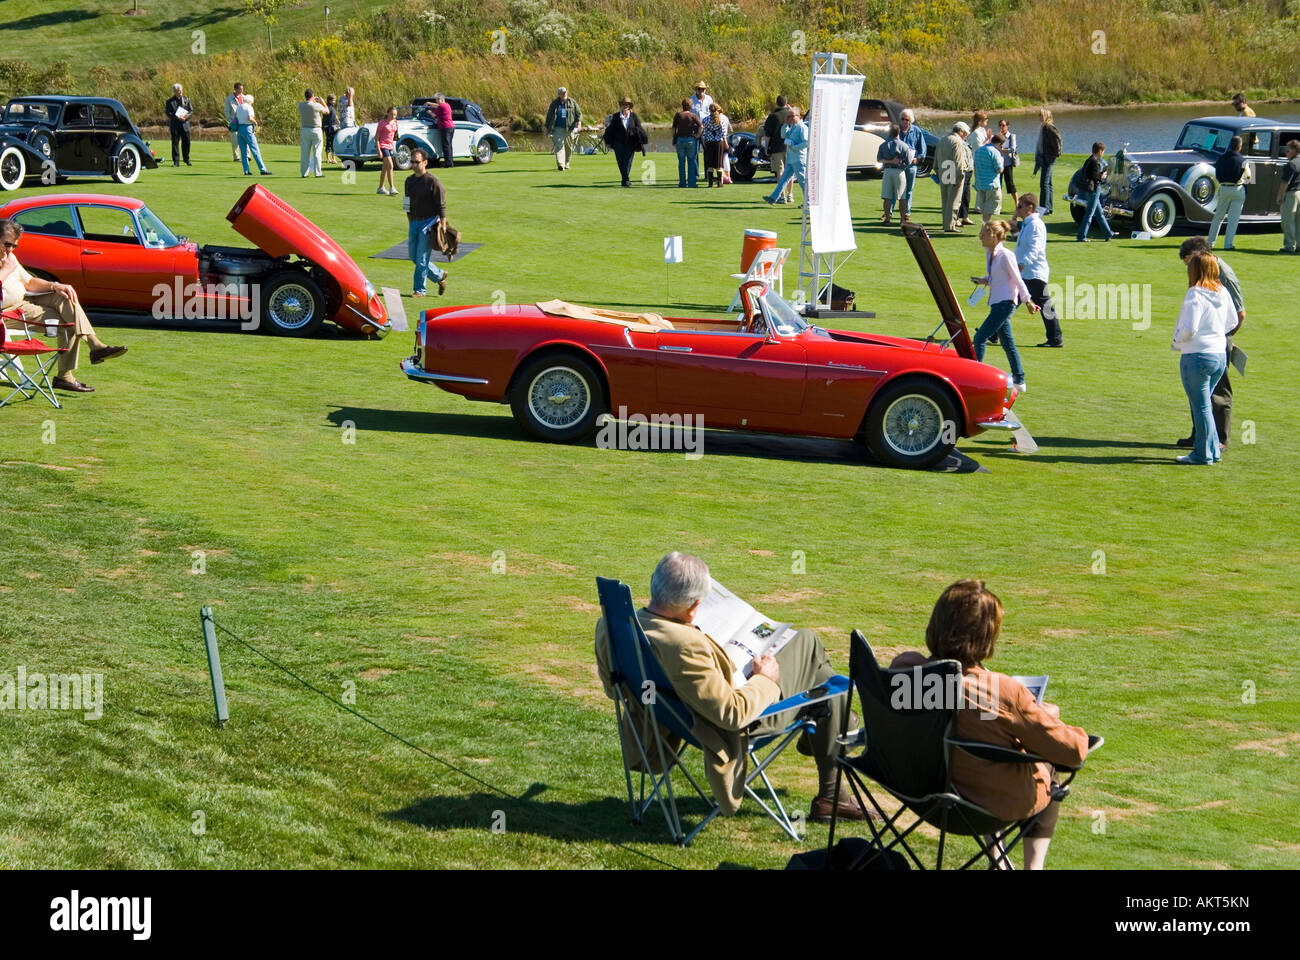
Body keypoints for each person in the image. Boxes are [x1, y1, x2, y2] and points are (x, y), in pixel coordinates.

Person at [593, 552, 867, 825]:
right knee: (808, 643)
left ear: (655, 582)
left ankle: (833, 754)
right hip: (739, 725)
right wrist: (764, 679)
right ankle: (836, 735)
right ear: (694, 606)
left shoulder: (614, 624)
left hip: (668, 717)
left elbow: (613, 688)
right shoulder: (685, 646)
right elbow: (732, 715)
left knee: (822, 679)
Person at [890, 579, 1090, 870]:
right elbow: (1073, 751)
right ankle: (1033, 867)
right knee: (1045, 766)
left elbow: (964, 704)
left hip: (919, 791)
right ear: (986, 637)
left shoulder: (905, 673)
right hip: (981, 805)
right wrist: (1048, 717)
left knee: (984, 744)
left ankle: (998, 859)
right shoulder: (1000, 692)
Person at [0, 219, 126, 394]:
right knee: (69, 323)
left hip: (24, 303)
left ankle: (93, 345)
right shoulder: (7, 263)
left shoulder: (9, 257)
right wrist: (6, 270)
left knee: (66, 296)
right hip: (6, 314)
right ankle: (67, 375)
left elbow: (29, 282)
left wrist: (55, 285)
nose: (11, 250)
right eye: (7, 244)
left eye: (15, 246)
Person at [1176, 237, 1243, 450]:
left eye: (1189, 262)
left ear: (1201, 256)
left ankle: (1219, 438)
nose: (1188, 267)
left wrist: (1221, 337)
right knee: (1199, 393)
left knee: (1218, 393)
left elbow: (1239, 314)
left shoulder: (1224, 275)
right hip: (1207, 340)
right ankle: (1200, 435)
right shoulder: (1203, 273)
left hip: (1216, 342)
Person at [971, 219, 1039, 393]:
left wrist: (1028, 301)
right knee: (1008, 343)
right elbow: (997, 277)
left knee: (979, 338)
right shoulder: (990, 254)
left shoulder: (1006, 255)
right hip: (997, 304)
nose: (980, 237)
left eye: (984, 234)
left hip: (1005, 304)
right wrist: (984, 280)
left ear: (994, 236)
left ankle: (973, 377)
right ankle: (1020, 379)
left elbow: (1017, 279)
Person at [1014, 193, 1061, 348]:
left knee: (1045, 306)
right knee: (1009, 303)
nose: (1017, 208)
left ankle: (1056, 338)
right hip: (1025, 273)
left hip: (1034, 274)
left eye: (1020, 206)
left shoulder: (1035, 225)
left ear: (1030, 207)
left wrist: (1022, 264)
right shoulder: (1028, 224)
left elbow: (1035, 249)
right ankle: (993, 333)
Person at [404, 148, 448, 298]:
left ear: (425, 162)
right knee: (413, 257)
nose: (414, 165)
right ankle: (439, 275)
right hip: (414, 222)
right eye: (412, 162)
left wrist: (442, 225)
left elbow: (441, 205)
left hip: (429, 222)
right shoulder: (409, 181)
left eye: (417, 162)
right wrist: (409, 220)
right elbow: (406, 202)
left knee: (422, 258)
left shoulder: (432, 181)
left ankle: (419, 290)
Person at [1207, 136, 1248, 250]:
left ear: (1230, 146)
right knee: (1233, 219)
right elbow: (1249, 178)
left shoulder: (1221, 158)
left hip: (1224, 188)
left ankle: (1210, 243)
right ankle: (1228, 244)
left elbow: (1217, 174)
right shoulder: (1244, 160)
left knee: (1218, 217)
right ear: (1239, 147)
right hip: (1238, 189)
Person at [764, 105, 807, 205]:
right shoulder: (792, 127)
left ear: (798, 116)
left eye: (792, 116)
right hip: (791, 158)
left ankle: (809, 202)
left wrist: (794, 146)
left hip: (799, 159)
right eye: (788, 116)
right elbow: (783, 135)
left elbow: (806, 142)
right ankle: (774, 198)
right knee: (783, 179)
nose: (790, 118)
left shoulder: (802, 127)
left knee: (802, 181)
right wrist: (785, 124)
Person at [601, 97, 647, 187]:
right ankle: (625, 180)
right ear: (621, 105)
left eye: (627, 105)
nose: (625, 106)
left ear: (629, 106)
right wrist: (608, 142)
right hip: (618, 144)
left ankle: (625, 180)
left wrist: (641, 138)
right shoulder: (615, 116)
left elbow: (639, 128)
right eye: (623, 104)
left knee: (628, 162)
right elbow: (610, 130)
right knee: (621, 162)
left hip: (631, 143)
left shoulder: (634, 116)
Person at [935, 121, 971, 232]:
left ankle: (945, 223)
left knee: (945, 200)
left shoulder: (942, 140)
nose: (965, 136)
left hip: (943, 172)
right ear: (960, 131)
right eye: (965, 133)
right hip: (953, 173)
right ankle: (950, 226)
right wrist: (959, 177)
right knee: (954, 201)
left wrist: (938, 172)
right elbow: (959, 162)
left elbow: (935, 161)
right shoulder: (957, 142)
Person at [1075, 141, 1114, 242]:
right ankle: (1081, 236)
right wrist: (1102, 176)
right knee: (1089, 214)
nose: (1103, 154)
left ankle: (1108, 234)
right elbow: (1095, 178)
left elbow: (1089, 175)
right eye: (1103, 151)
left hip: (1088, 190)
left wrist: (1099, 175)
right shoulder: (1095, 162)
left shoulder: (1089, 160)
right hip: (1094, 191)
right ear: (1100, 151)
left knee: (1099, 213)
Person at [877, 124, 913, 224]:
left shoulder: (883, 145)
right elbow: (909, 161)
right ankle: (902, 219)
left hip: (887, 171)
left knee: (887, 197)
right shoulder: (904, 146)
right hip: (899, 171)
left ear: (889, 132)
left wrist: (890, 161)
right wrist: (900, 164)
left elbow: (879, 159)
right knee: (902, 197)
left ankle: (887, 218)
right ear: (898, 132)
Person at [232, 86, 270, 176]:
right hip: (247, 128)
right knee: (255, 149)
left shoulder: (239, 107)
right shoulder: (249, 107)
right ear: (249, 101)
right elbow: (250, 118)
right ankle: (263, 169)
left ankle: (246, 170)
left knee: (243, 151)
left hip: (240, 129)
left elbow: (236, 118)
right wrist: (255, 122)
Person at [897, 108, 926, 224]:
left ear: (911, 120)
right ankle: (888, 213)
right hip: (898, 165)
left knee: (908, 189)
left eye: (907, 119)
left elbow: (922, 149)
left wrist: (917, 159)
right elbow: (889, 144)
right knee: (895, 190)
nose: (904, 121)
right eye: (902, 119)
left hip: (911, 166)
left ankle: (907, 213)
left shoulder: (917, 131)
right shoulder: (896, 130)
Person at [544, 86, 582, 171]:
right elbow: (549, 116)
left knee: (569, 147)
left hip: (570, 128)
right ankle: (560, 164)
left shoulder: (572, 102)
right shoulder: (554, 103)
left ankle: (566, 163)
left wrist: (579, 124)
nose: (564, 94)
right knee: (559, 145)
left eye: (565, 92)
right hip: (557, 128)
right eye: (562, 93)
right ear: (559, 94)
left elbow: (579, 114)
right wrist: (547, 128)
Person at [1033, 108, 1062, 216]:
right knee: (1048, 183)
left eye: (1040, 115)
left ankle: (1043, 208)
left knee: (1044, 183)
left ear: (1045, 116)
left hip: (1048, 158)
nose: (1039, 117)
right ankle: (1048, 207)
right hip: (1045, 158)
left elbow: (1058, 140)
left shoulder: (1049, 127)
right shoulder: (1044, 127)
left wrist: (1056, 153)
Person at [973, 133, 1005, 225]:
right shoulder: (995, 152)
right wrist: (1002, 161)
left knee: (984, 210)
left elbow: (975, 167)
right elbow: (999, 170)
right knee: (989, 210)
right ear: (999, 144)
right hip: (992, 184)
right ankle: (985, 228)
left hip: (980, 183)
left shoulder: (979, 150)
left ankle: (985, 227)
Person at [762, 96, 789, 200]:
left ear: (777, 103)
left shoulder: (773, 116)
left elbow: (767, 135)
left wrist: (766, 147)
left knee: (780, 172)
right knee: (789, 171)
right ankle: (790, 194)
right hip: (790, 147)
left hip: (777, 147)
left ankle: (782, 195)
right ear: (786, 103)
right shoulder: (790, 114)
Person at [671, 99, 702, 188]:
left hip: (680, 139)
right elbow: (701, 126)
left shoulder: (678, 115)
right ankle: (692, 183)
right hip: (691, 140)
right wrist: (697, 135)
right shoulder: (693, 115)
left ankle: (682, 183)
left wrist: (674, 137)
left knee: (681, 162)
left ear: (682, 105)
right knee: (691, 161)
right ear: (691, 106)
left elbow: (673, 128)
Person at [297, 89, 328, 178]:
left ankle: (304, 173)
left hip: (305, 130)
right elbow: (327, 111)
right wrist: (322, 102)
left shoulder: (300, 105)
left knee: (304, 153)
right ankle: (318, 173)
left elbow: (308, 104)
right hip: (316, 130)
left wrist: (313, 101)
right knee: (317, 153)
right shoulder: (316, 105)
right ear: (313, 96)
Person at [701, 102, 731, 187]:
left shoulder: (705, 120)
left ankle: (710, 183)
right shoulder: (721, 119)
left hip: (709, 142)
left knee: (710, 164)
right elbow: (724, 133)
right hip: (719, 143)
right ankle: (719, 182)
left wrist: (704, 143)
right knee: (719, 164)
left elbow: (704, 134)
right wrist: (726, 144)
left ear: (709, 110)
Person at [1279, 139, 1300, 254]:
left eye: (1288, 151)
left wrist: (1279, 195)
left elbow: (1284, 182)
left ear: (1294, 151)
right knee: (1298, 222)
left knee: (1288, 222)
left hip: (1291, 194)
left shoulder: (1291, 164)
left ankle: (1289, 246)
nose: (1286, 153)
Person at [165, 83, 193, 167]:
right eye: (178, 91)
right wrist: (177, 118)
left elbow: (191, 111)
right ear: (174, 92)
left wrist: (185, 117)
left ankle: (186, 159)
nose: (180, 92)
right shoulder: (169, 101)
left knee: (187, 143)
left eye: (181, 90)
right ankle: (176, 162)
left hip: (185, 125)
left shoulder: (186, 99)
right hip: (175, 125)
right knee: (175, 144)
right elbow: (168, 113)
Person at [996, 118, 1018, 213]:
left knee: (1010, 184)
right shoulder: (997, 136)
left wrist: (1001, 150)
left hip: (1007, 163)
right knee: (998, 185)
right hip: (998, 163)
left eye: (1003, 125)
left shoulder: (1011, 136)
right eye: (1000, 125)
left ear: (1007, 126)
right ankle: (997, 206)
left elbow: (1012, 149)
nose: (1001, 127)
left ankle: (1017, 205)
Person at [376, 106, 398, 195]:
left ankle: (380, 188)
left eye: (395, 115)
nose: (393, 116)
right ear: (387, 113)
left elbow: (395, 135)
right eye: (392, 114)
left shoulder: (395, 122)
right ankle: (392, 188)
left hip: (390, 146)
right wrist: (379, 150)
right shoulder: (382, 123)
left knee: (385, 168)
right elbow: (376, 138)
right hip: (383, 146)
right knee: (390, 165)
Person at [432, 94, 455, 169]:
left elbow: (434, 115)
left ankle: (448, 163)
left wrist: (429, 112)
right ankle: (450, 162)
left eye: (437, 99)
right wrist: (429, 103)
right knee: (449, 145)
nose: (436, 101)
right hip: (451, 127)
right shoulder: (447, 105)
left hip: (445, 127)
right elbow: (437, 105)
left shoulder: (441, 106)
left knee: (446, 145)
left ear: (441, 99)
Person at [223, 84, 244, 161]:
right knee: (235, 141)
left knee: (245, 139)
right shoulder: (229, 98)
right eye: (240, 89)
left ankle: (247, 156)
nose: (241, 91)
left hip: (243, 121)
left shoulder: (244, 98)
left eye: (242, 89)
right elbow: (226, 111)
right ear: (235, 89)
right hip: (234, 121)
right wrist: (231, 121)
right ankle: (236, 157)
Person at [323, 95, 340, 163]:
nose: (334, 101)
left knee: (329, 142)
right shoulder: (329, 108)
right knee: (332, 142)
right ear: (330, 100)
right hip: (331, 127)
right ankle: (332, 159)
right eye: (333, 100)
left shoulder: (328, 107)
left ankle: (329, 158)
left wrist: (338, 121)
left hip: (328, 127)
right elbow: (330, 119)